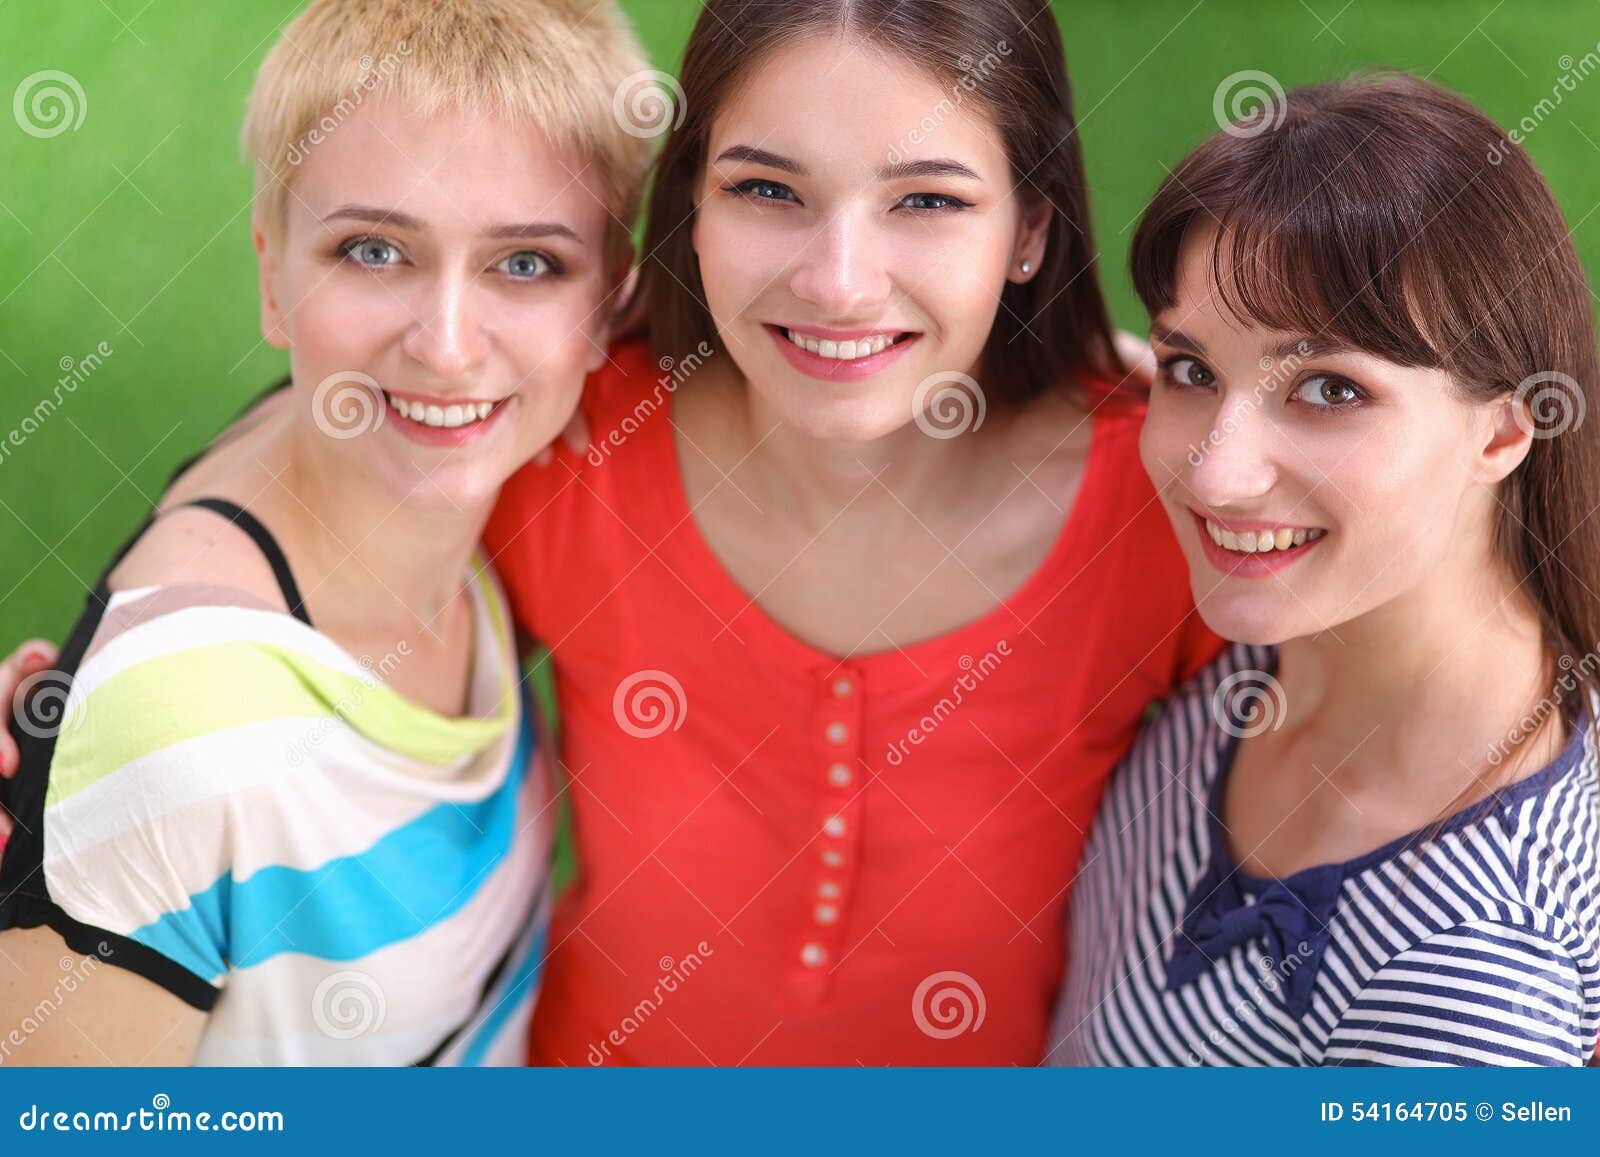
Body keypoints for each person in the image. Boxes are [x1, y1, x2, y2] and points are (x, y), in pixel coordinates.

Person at [481, 0, 1217, 1064]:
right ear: (692, 205)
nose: (837, 282)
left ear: (1030, 232)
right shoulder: (572, 449)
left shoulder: (1161, 508)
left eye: (927, 200)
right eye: (767, 189)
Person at [0, 0, 650, 1064]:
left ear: (609, 302)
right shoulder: (180, 728)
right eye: (374, 250)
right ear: (273, 276)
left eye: (527, 262)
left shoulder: (446, 472)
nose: (446, 347)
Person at [1049, 74, 1600, 1066]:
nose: (1215, 475)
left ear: (1504, 428)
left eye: (1330, 388)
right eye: (1191, 370)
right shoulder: (1282, 637)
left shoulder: (1473, 976)